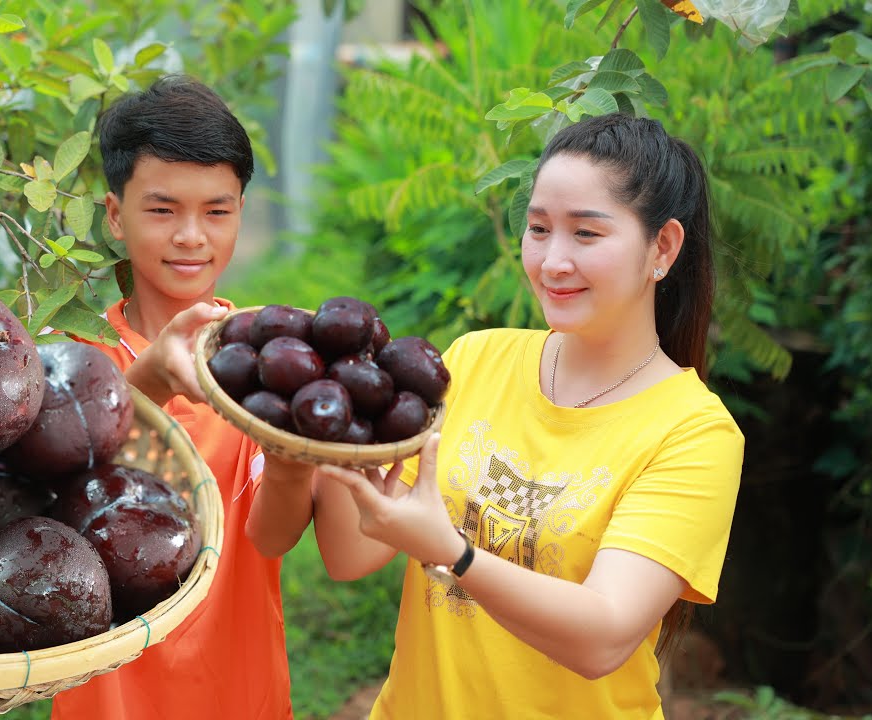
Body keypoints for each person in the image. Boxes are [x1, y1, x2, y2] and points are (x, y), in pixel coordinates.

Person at [301, 113, 745, 719]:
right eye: (538, 229)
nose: (553, 261)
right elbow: (349, 554)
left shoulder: (695, 432)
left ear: (661, 248)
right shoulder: (475, 358)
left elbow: (604, 635)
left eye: (586, 234)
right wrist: (320, 430)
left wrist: (451, 552)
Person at [49, 75, 312, 720]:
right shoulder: (73, 361)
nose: (192, 236)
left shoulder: (263, 362)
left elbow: (273, 539)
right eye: (162, 210)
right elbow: (48, 504)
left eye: (217, 211)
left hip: (240, 695)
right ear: (115, 214)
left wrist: (292, 453)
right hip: (108, 702)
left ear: (240, 213)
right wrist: (155, 382)